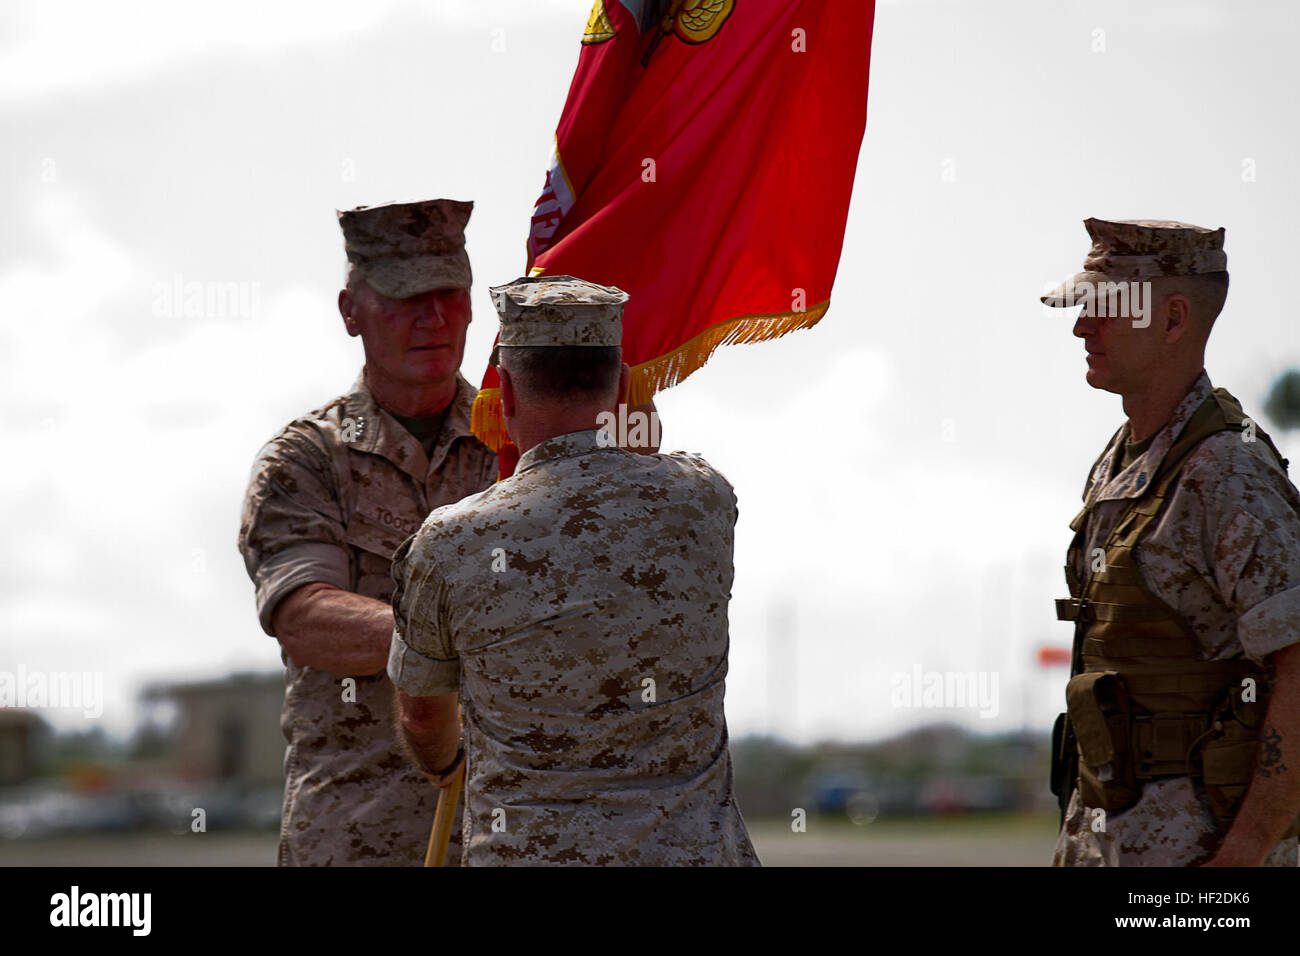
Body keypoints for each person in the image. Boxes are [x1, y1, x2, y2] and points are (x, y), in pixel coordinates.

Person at [387, 274, 759, 865]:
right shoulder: (704, 500)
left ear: (504, 390)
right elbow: (640, 466)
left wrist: (447, 762)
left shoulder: (450, 543)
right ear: (622, 386)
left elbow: (422, 715)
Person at [237, 198, 496, 865]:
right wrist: (445, 638)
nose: (432, 318)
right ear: (351, 311)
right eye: (405, 298)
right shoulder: (307, 459)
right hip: (358, 833)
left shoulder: (516, 445)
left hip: (510, 834)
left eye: (448, 294)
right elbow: (305, 616)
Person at [1044, 218, 1300, 866]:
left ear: (1174, 319)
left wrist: (1244, 853)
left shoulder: (1227, 472)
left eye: (1103, 310)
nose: (1081, 328)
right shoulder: (1120, 464)